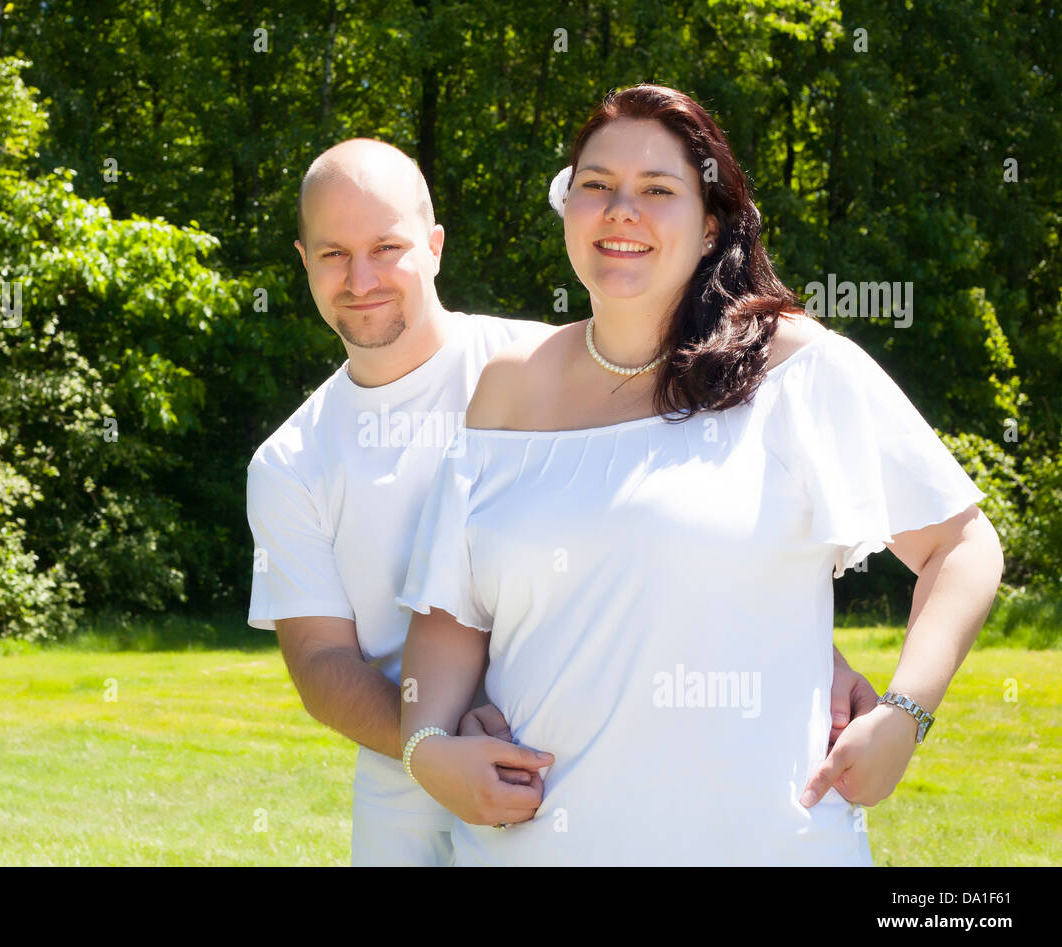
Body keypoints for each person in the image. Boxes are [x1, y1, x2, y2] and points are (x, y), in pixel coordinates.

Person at [397, 85, 1004, 866]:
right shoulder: (508, 389)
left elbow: (962, 545)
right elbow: (451, 613)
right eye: (597, 185)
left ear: (711, 221)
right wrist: (426, 748)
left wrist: (904, 715)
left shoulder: (793, 366)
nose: (622, 210)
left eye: (658, 190)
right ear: (568, 205)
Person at [247, 137, 880, 867]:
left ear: (435, 244)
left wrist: (814, 657)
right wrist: (437, 747)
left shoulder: (539, 372)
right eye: (332, 254)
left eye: (386, 246)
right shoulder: (290, 462)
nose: (361, 277)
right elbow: (321, 663)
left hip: (582, 790)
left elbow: (680, 525)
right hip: (405, 813)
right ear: (303, 260)